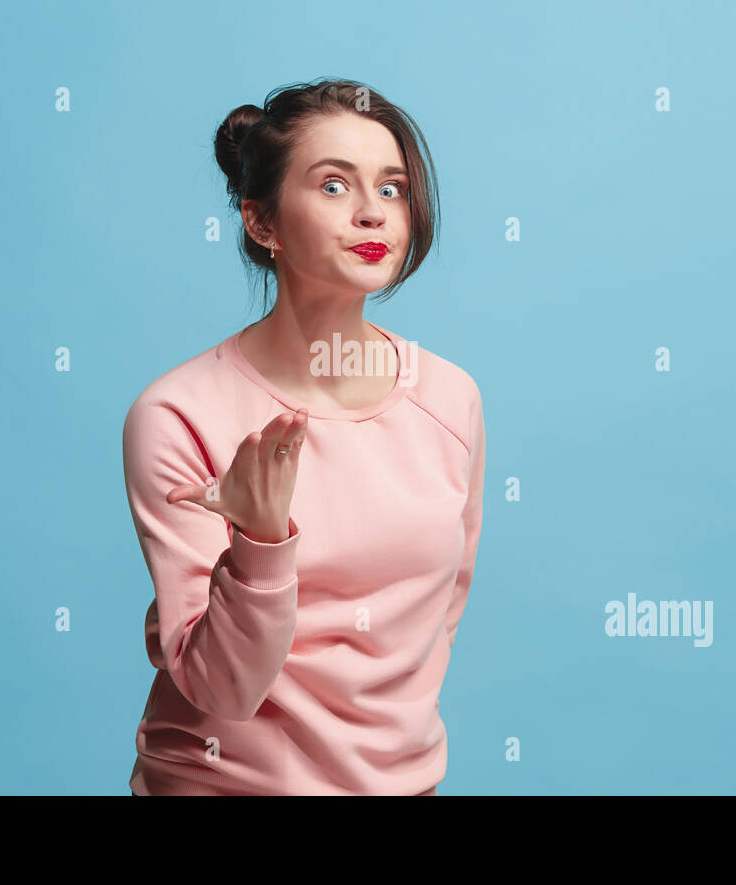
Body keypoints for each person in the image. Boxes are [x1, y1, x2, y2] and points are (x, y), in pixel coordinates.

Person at [124, 79, 485, 795]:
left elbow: (438, 615)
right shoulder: (179, 415)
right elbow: (221, 689)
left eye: (392, 189)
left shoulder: (450, 397)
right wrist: (259, 546)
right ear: (262, 223)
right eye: (332, 185)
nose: (369, 214)